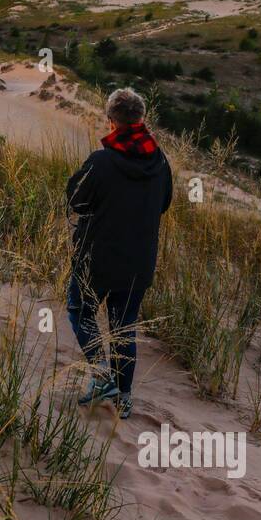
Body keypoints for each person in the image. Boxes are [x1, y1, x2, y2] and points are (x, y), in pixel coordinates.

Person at [65, 87, 173, 418]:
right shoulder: (159, 161)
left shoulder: (102, 161)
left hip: (96, 257)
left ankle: (100, 374)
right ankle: (123, 398)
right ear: (141, 120)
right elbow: (164, 204)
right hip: (139, 261)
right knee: (124, 327)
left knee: (79, 309)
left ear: (112, 121)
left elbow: (77, 201)